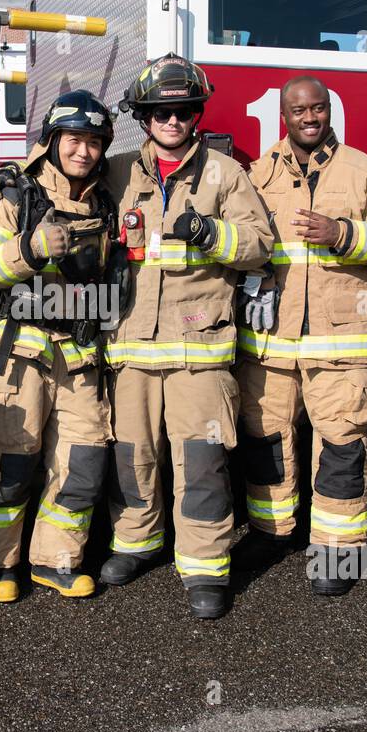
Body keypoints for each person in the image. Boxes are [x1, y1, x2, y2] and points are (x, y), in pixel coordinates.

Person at [102, 54, 273, 619]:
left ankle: (204, 566)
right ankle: (137, 542)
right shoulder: (117, 170)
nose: (172, 121)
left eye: (182, 111)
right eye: (160, 112)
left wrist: (210, 231)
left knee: (201, 461)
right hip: (131, 347)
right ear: (142, 116)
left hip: (200, 351)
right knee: (133, 457)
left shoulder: (225, 174)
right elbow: (63, 179)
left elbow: (259, 245)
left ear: (197, 113)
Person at [233, 76, 367, 593]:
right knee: (265, 440)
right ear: (283, 117)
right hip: (270, 342)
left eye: (317, 109)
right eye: (298, 111)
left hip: (342, 342)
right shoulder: (258, 174)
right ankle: (271, 532)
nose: (309, 118)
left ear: (329, 112)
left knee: (341, 444)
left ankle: (337, 553)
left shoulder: (366, 170)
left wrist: (344, 234)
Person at [0, 91, 117, 602]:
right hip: (19, 354)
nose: (85, 151)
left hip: (78, 356)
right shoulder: (16, 194)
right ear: (53, 140)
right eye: (75, 139)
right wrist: (29, 249)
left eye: (96, 142)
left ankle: (56, 563)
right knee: (13, 465)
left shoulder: (106, 202)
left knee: (81, 464)